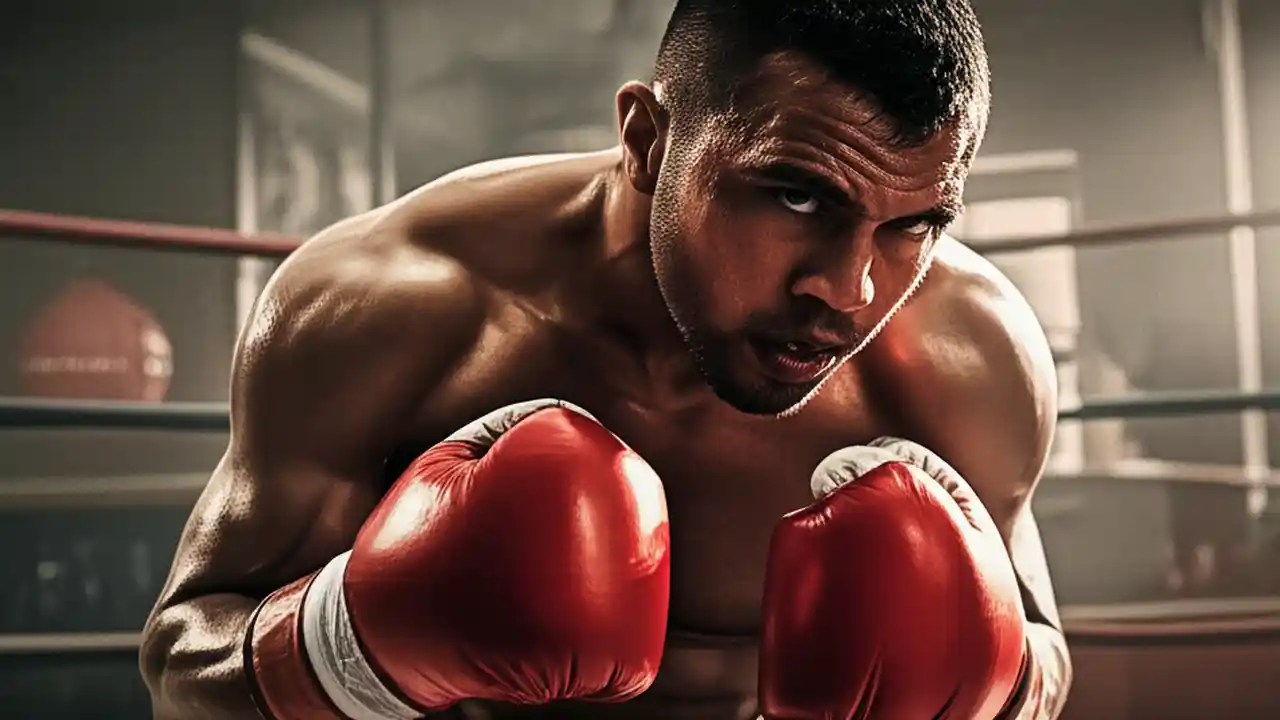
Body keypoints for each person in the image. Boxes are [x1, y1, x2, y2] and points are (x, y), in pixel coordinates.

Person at [140, 1, 1073, 718]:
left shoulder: (967, 355)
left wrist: (983, 676)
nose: (850, 289)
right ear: (647, 140)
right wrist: (355, 643)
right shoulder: (398, 305)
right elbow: (184, 666)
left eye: (913, 225)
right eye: (794, 197)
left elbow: (1043, 658)